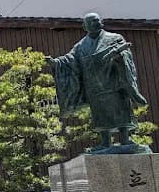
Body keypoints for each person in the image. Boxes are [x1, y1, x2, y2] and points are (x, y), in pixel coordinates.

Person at [47, 12, 148, 152]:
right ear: (84, 26)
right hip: (94, 87)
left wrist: (119, 55)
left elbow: (126, 56)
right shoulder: (81, 46)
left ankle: (125, 139)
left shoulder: (114, 38)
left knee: (121, 111)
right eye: (91, 22)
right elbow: (70, 60)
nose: (95, 23)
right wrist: (56, 63)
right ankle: (105, 142)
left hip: (114, 84)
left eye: (96, 20)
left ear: (101, 22)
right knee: (100, 115)